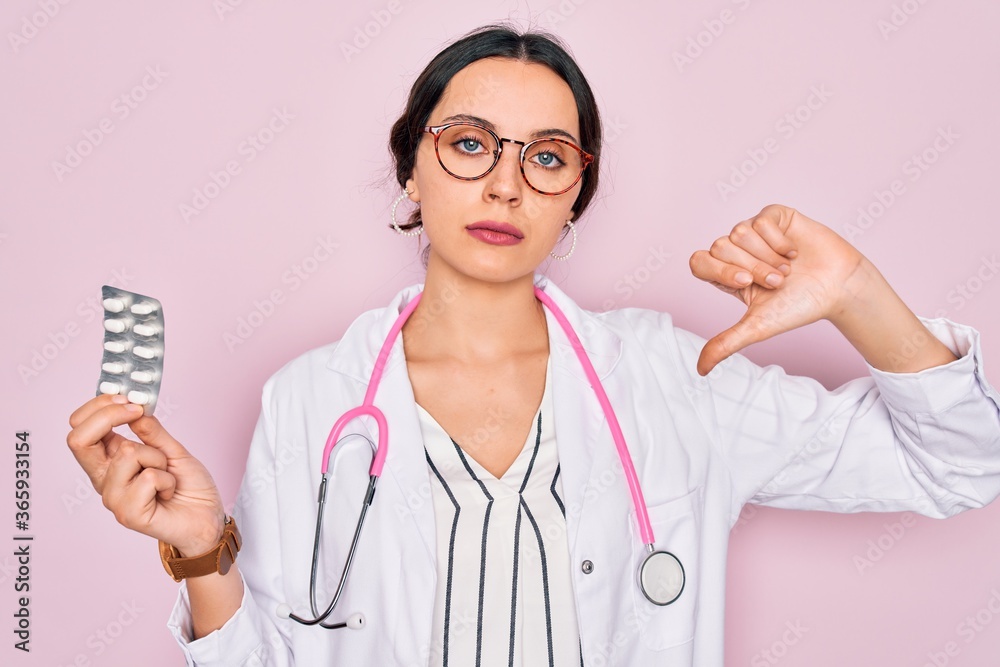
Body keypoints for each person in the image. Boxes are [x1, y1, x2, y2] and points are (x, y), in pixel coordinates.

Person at [65, 22, 1000, 667]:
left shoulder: (678, 380)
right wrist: (200, 552)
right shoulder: (315, 398)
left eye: (547, 157)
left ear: (572, 199)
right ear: (412, 169)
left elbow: (962, 465)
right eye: (471, 143)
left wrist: (856, 295)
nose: (507, 184)